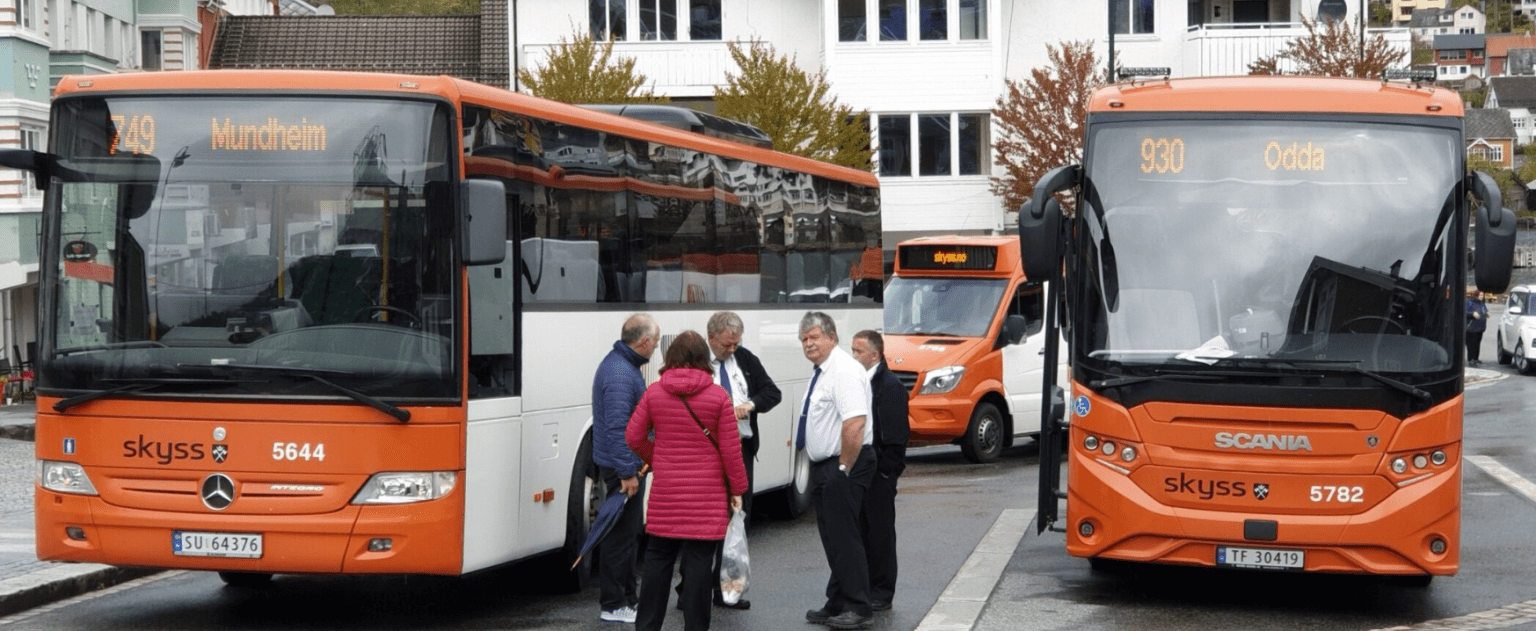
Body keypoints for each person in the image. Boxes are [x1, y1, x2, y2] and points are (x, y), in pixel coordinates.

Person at [627, 330, 748, 631]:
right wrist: (737, 490)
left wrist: (656, 458)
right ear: (703, 359)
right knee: (697, 568)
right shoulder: (718, 396)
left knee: (657, 561)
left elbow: (633, 436)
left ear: (671, 358)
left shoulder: (654, 392)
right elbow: (732, 452)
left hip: (667, 493)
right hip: (706, 497)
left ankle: (646, 627)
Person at [693, 311, 781, 610]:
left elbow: (773, 392)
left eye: (736, 344)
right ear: (711, 337)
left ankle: (726, 588)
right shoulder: (697, 361)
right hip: (706, 451)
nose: (732, 350)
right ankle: (691, 589)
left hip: (740, 447)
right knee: (704, 521)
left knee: (737, 516)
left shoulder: (745, 359)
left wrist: (750, 405)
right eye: (727, 345)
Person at [796, 311, 876, 631]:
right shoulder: (823, 371)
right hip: (828, 464)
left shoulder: (843, 371)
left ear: (832, 337)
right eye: (804, 339)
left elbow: (855, 421)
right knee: (833, 538)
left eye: (815, 337)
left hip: (844, 464)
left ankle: (858, 605)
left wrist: (843, 466)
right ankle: (839, 600)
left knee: (844, 537)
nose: (809, 344)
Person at [591, 313, 660, 624]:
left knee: (629, 533)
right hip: (625, 468)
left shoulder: (623, 365)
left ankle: (627, 599)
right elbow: (619, 429)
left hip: (627, 464)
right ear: (643, 341)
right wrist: (627, 473)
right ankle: (614, 603)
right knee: (620, 537)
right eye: (656, 341)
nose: (657, 346)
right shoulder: (621, 373)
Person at [850, 330, 908, 612]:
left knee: (881, 533)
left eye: (858, 351)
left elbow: (896, 434)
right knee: (861, 530)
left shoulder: (890, 385)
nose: (854, 356)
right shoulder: (858, 381)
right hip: (861, 470)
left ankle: (882, 591)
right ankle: (866, 586)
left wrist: (887, 472)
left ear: (875, 354)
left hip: (879, 473)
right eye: (853, 350)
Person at [1467, 290, 1489, 366]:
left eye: (1482, 295)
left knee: (1477, 343)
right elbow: (1465, 312)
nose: (1481, 297)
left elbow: (1485, 310)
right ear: (1476, 295)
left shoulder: (1482, 303)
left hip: (1480, 328)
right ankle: (1471, 359)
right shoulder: (1470, 302)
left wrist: (1487, 313)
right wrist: (1472, 314)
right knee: (1472, 344)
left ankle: (1476, 358)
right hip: (1472, 327)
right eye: (1480, 295)